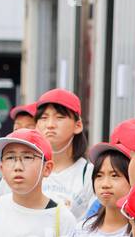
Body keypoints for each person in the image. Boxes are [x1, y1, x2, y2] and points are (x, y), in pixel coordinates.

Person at [34, 88, 94, 217]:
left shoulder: (90, 175)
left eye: (59, 117)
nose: (50, 125)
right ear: (36, 126)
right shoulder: (27, 169)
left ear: (78, 126)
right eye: (43, 118)